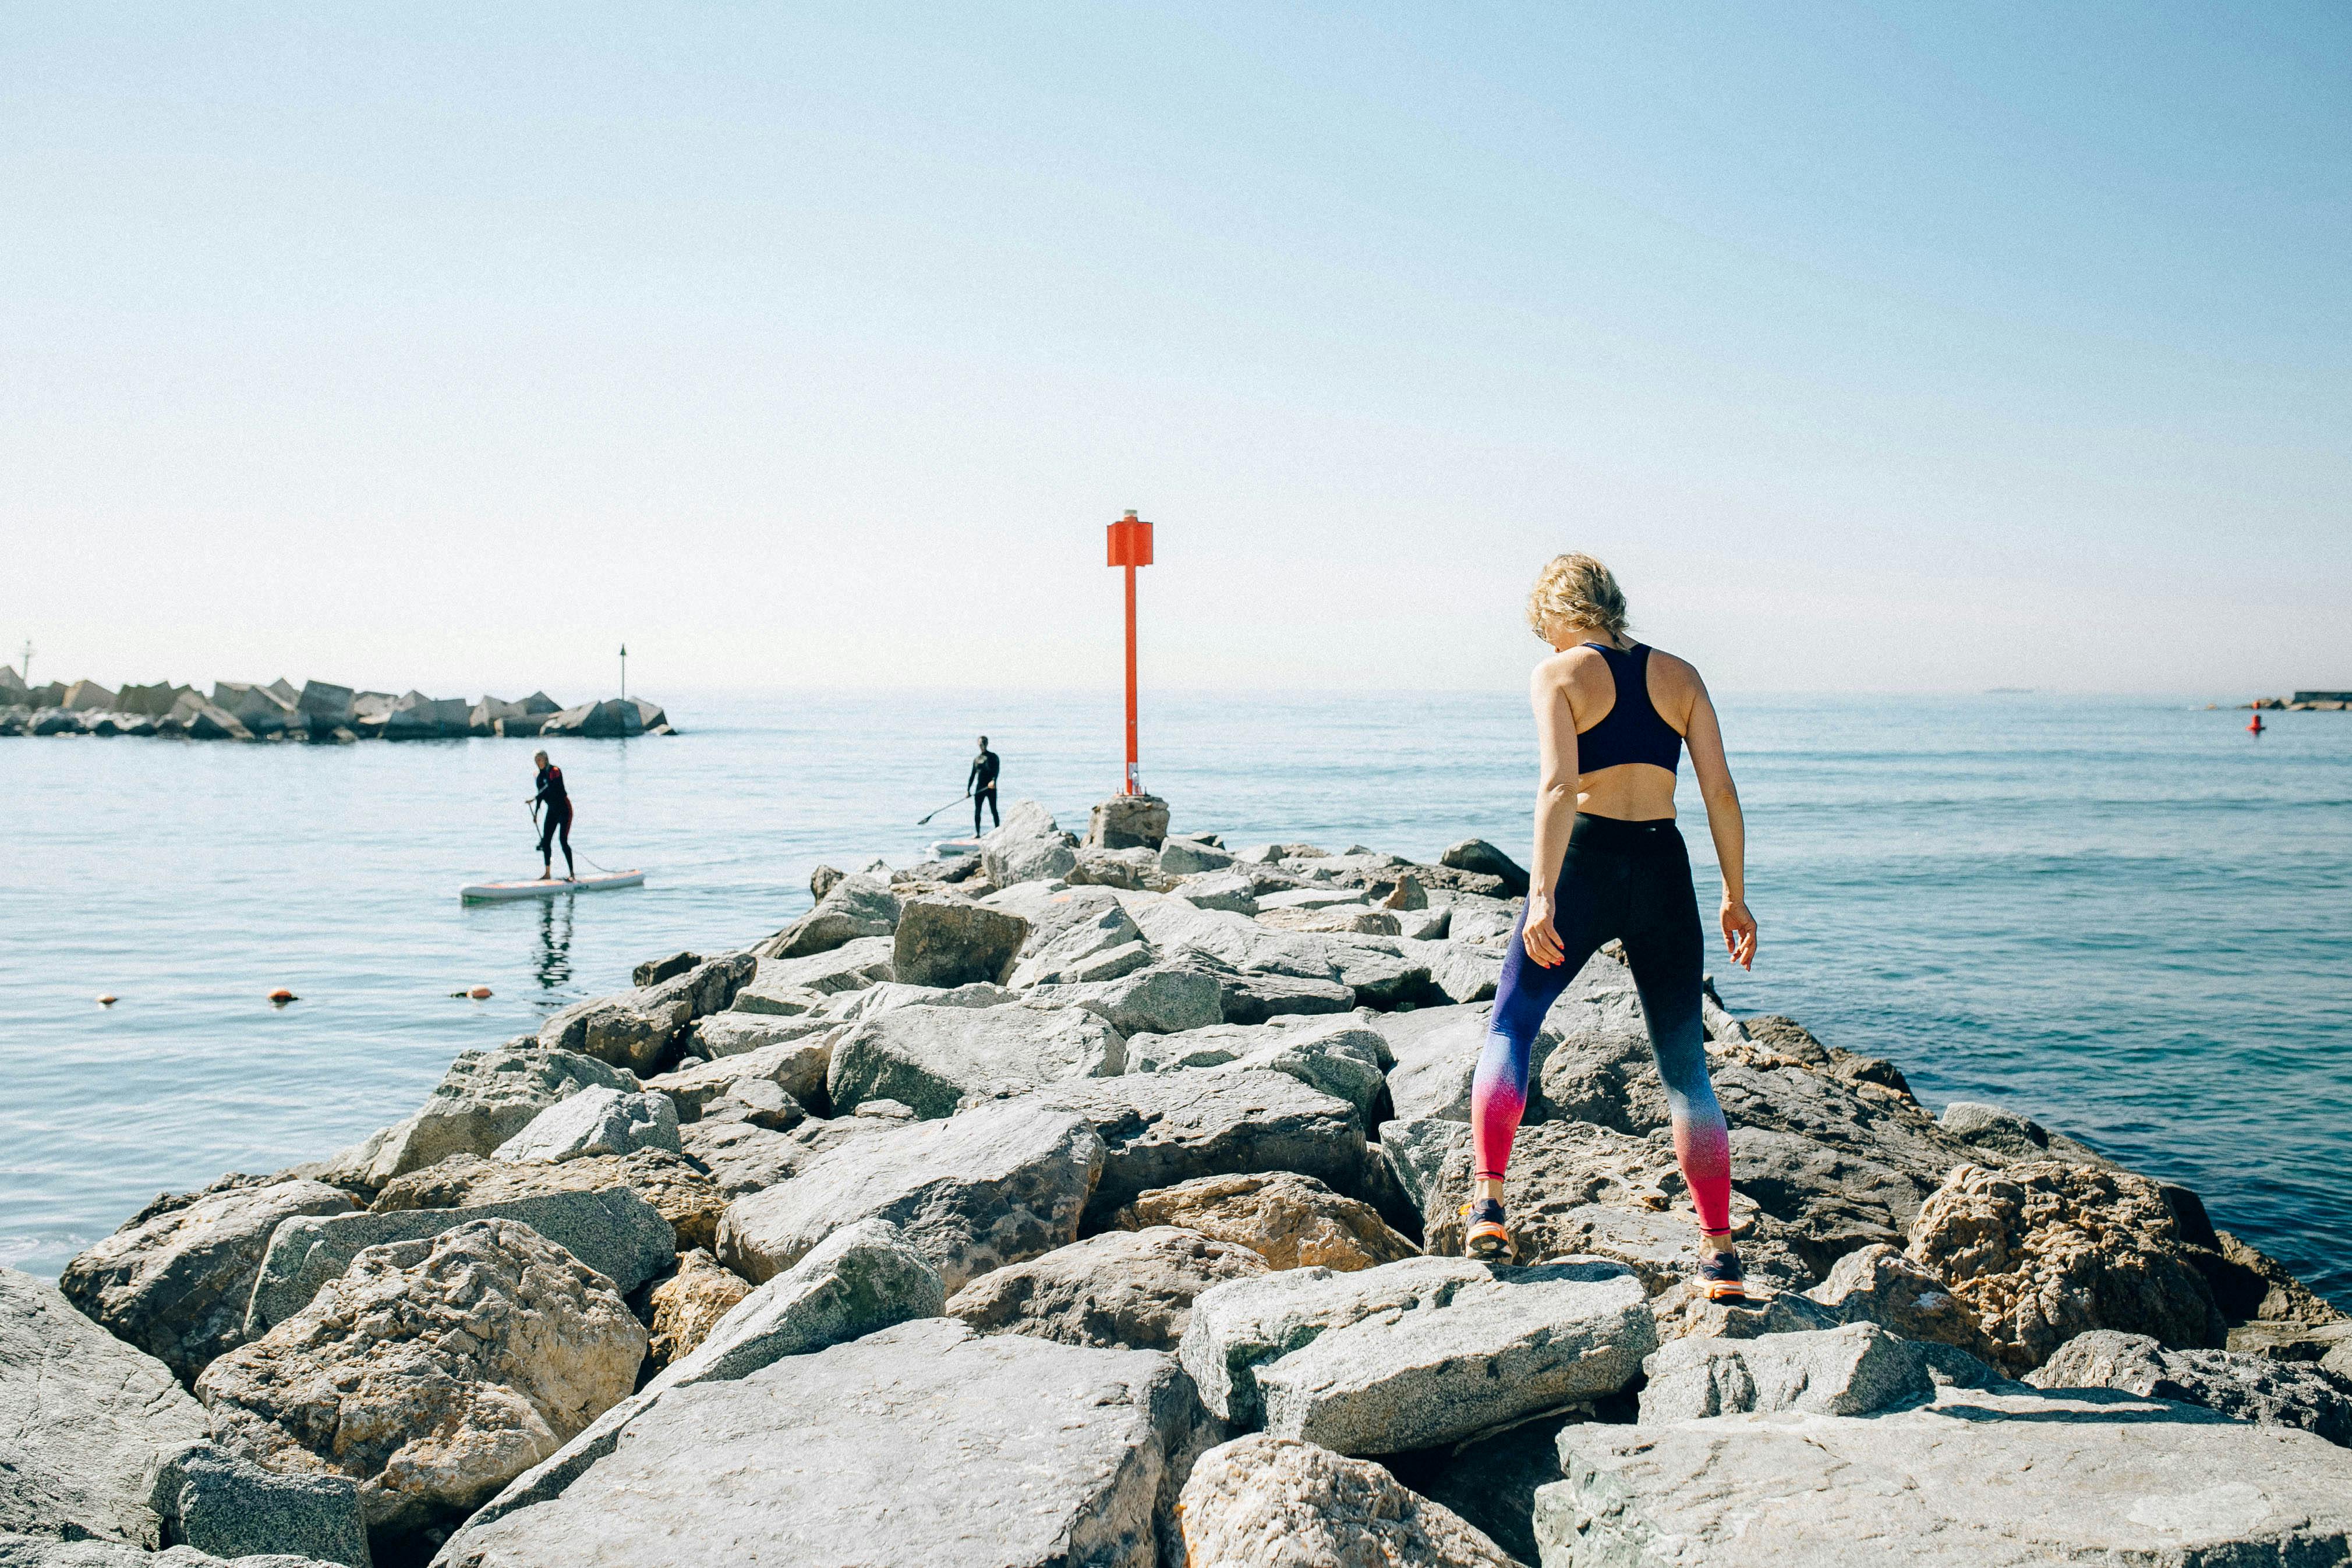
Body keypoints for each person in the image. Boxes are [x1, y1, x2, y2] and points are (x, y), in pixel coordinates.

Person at [1465, 553, 1759, 1302]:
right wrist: (1734, 895)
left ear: (1559, 614)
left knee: (1512, 1026)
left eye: (1545, 630)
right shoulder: (1682, 675)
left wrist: (1540, 896)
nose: (1546, 645)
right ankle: (1718, 1255)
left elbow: (1560, 786)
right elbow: (1719, 790)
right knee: (1686, 1069)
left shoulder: (1559, 675)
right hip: (1663, 867)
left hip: (1588, 864)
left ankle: (1490, 1204)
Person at [530, 750, 575, 882]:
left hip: (564, 809)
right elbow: (541, 794)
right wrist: (536, 813)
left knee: (563, 841)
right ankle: (548, 873)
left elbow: (552, 788)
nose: (538, 762)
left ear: (546, 759)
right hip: (552, 810)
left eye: (540, 759)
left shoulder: (555, 771)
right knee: (546, 842)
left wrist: (536, 797)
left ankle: (572, 874)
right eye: (536, 760)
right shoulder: (538, 776)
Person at [968, 736, 1001, 836]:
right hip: (980, 788)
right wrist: (968, 790)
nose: (982, 745)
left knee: (993, 809)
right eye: (980, 744)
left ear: (987, 744)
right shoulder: (977, 759)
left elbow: (996, 771)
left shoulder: (993, 757)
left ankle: (998, 832)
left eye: (983, 743)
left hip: (990, 787)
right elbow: (973, 775)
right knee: (978, 811)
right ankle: (978, 833)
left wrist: (994, 781)